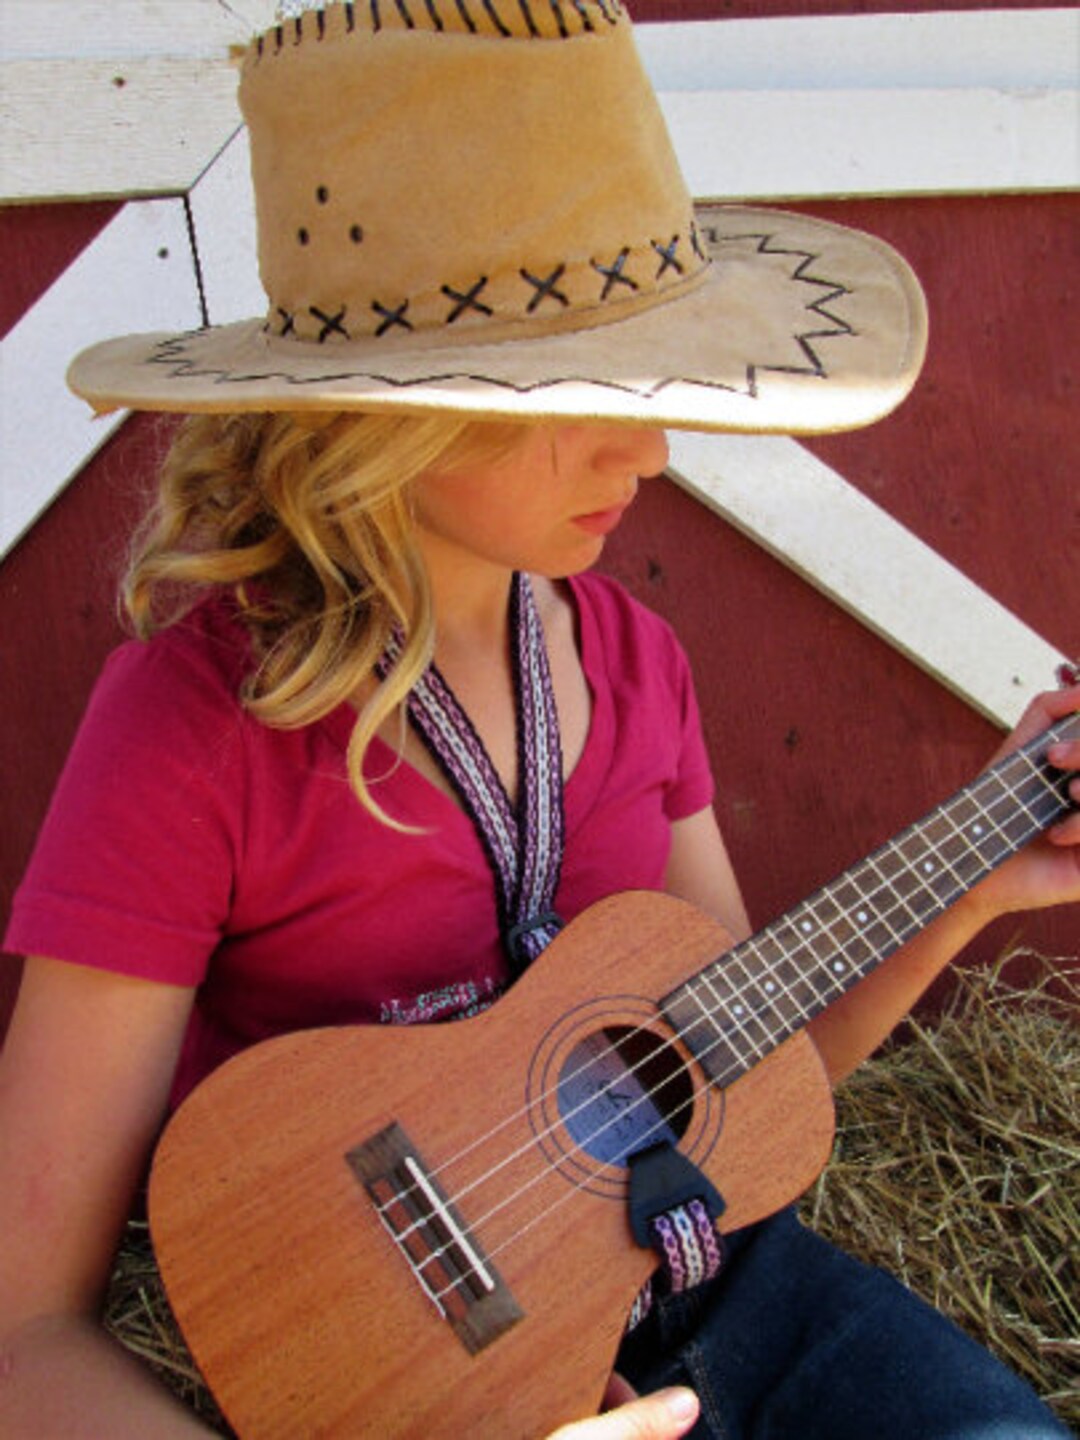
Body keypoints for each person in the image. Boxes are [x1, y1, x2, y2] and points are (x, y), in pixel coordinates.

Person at [1, 4, 1077, 1438]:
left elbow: (740, 1086)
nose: (647, 448)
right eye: (575, 393)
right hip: (439, 1389)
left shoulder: (634, 658)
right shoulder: (198, 724)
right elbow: (21, 1333)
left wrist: (975, 879)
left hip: (724, 1290)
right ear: (377, 415)